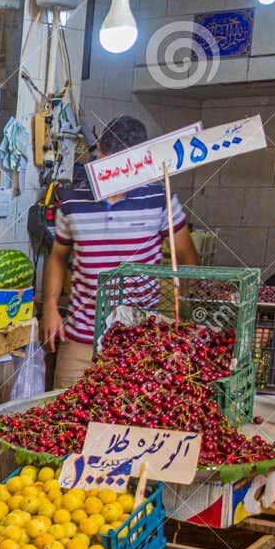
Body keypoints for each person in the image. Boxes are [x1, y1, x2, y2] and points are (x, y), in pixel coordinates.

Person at [40, 116, 199, 390]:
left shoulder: (159, 199)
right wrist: (51, 306)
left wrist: (185, 315)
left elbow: (186, 256)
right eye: (109, 165)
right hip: (81, 341)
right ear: (99, 151)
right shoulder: (72, 200)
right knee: (65, 418)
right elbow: (57, 257)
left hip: (140, 343)